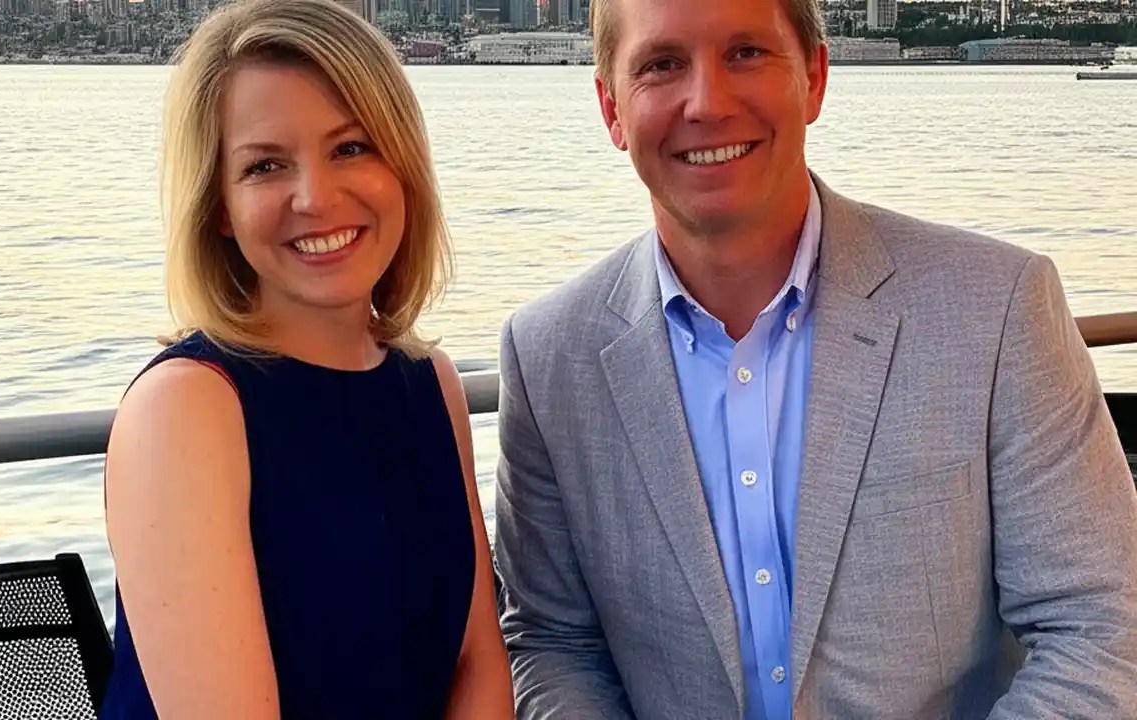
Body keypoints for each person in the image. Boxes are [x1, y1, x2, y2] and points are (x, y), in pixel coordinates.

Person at [491, 0, 1137, 717]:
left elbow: (1101, 625)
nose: (707, 102)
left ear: (817, 77)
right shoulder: (549, 357)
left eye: (746, 54)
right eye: (662, 64)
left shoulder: (995, 307)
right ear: (611, 108)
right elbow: (553, 645)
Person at [98, 0, 513, 717]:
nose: (316, 197)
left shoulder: (429, 384)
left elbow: (478, 663)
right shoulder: (187, 409)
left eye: (351, 148)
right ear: (219, 206)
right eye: (265, 166)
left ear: (403, 166)